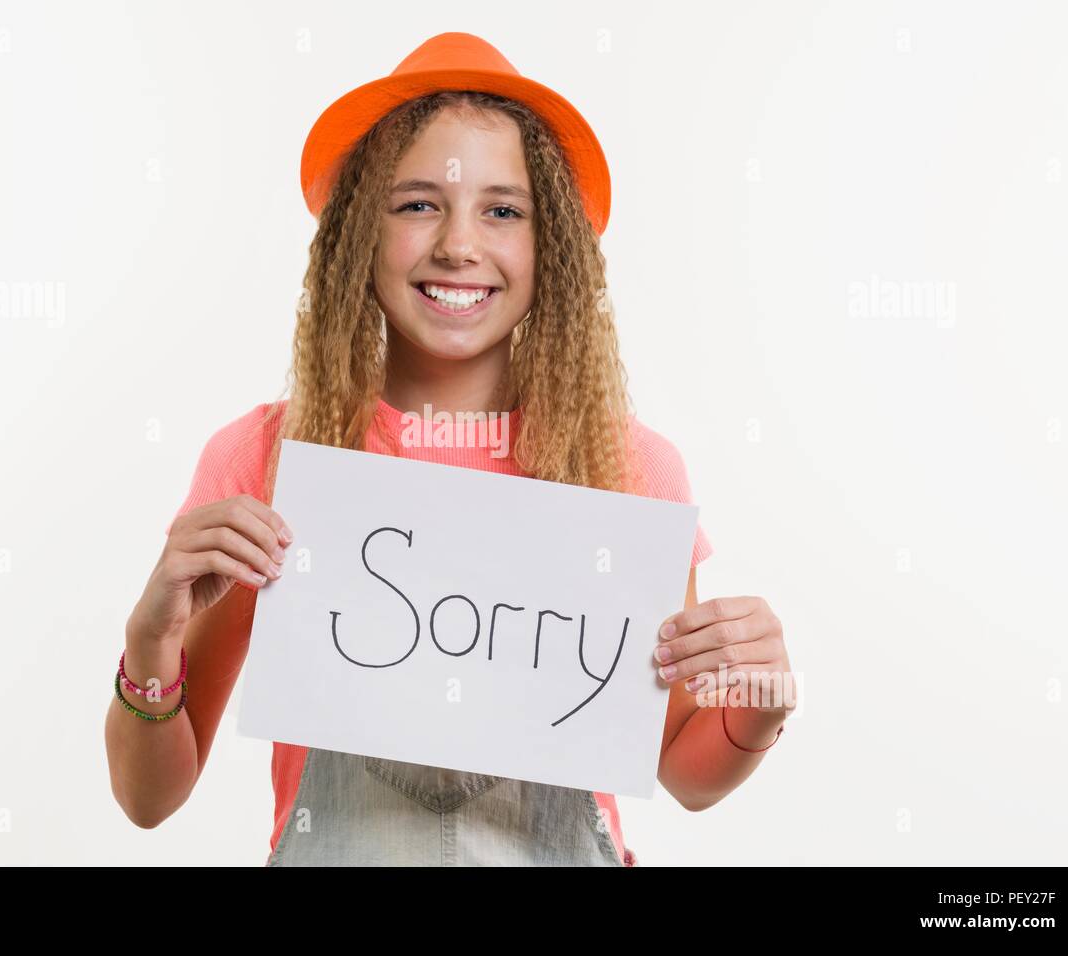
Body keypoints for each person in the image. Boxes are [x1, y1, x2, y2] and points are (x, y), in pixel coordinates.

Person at [105, 32, 796, 866]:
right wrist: (151, 642)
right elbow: (151, 799)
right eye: (418, 203)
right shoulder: (272, 458)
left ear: (554, 252)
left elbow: (683, 772)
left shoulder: (630, 470)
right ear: (360, 231)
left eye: (503, 210)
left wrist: (755, 706)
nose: (458, 245)